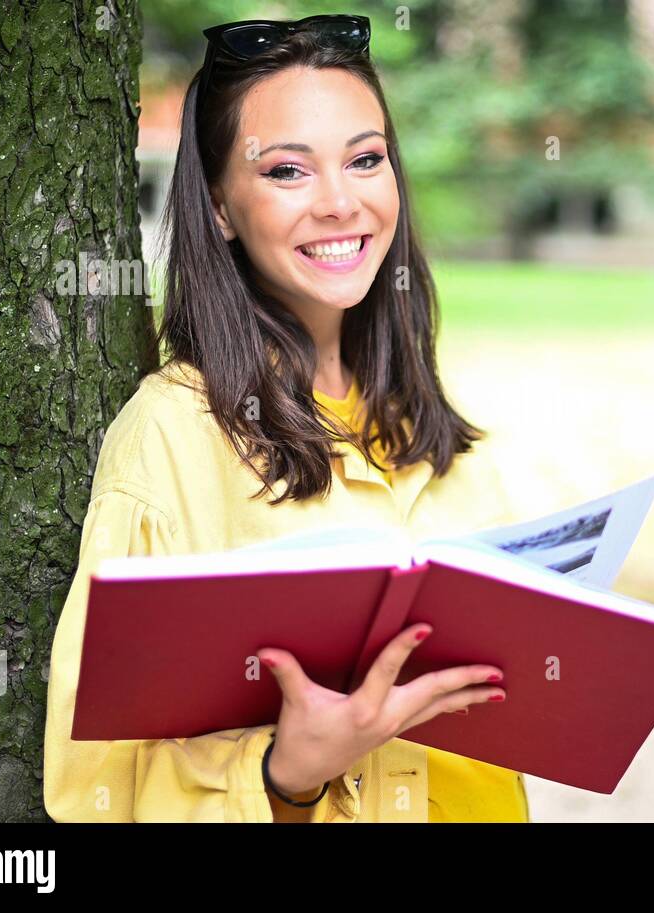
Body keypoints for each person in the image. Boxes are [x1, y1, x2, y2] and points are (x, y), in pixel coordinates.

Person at [42, 14, 529, 823]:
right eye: (287, 172)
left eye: (365, 159)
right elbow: (97, 795)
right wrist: (287, 777)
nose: (341, 203)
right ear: (221, 209)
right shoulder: (168, 441)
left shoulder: (431, 427)